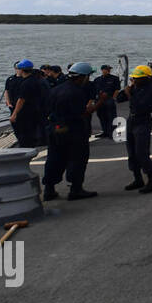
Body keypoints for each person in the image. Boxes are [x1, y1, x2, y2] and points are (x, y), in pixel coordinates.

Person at [43, 62, 100, 201]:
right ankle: (76, 189)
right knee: (77, 158)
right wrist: (99, 103)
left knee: (54, 158)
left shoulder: (56, 89)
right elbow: (82, 113)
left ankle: (49, 189)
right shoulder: (76, 93)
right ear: (82, 77)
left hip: (55, 129)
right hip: (73, 130)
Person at [124, 65, 152, 193]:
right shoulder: (135, 87)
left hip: (142, 121)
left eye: (137, 78)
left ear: (145, 78)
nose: (134, 80)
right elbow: (119, 98)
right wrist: (127, 89)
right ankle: (137, 178)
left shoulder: (151, 91)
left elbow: (142, 107)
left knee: (141, 152)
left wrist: (129, 95)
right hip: (131, 120)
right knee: (131, 151)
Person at [8, 59, 46, 148]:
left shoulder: (26, 83)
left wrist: (14, 114)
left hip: (26, 112)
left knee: (24, 134)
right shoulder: (36, 80)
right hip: (36, 110)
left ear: (21, 70)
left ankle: (25, 148)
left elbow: (21, 100)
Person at [93, 64, 121, 139]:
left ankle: (112, 132)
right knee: (101, 116)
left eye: (109, 69)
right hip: (99, 100)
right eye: (106, 69)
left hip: (109, 99)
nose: (108, 70)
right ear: (102, 70)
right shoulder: (97, 79)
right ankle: (105, 131)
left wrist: (113, 98)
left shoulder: (114, 78)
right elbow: (94, 90)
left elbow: (117, 89)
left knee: (111, 116)